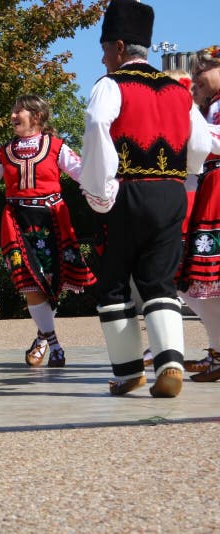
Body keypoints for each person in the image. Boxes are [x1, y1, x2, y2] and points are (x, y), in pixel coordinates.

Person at [80, 0, 211, 397]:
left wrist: (100, 191)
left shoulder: (111, 85)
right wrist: (186, 176)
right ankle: (170, 361)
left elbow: (96, 125)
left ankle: (128, 371)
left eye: (104, 49)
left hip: (127, 190)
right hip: (170, 193)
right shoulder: (178, 90)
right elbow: (201, 142)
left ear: (119, 47)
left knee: (115, 282)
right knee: (159, 281)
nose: (102, 58)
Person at [0, 95, 95, 366]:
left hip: (53, 221)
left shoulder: (57, 147)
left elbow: (85, 174)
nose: (12, 116)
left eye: (18, 111)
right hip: (18, 223)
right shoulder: (4, 152)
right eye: (12, 111)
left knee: (53, 284)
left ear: (37, 116)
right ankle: (54, 344)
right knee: (32, 284)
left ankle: (43, 339)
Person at [178, 46, 220, 382]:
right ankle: (218, 350)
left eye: (201, 70)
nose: (195, 79)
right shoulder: (209, 109)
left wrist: (186, 109)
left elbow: (209, 142)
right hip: (208, 192)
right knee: (194, 279)